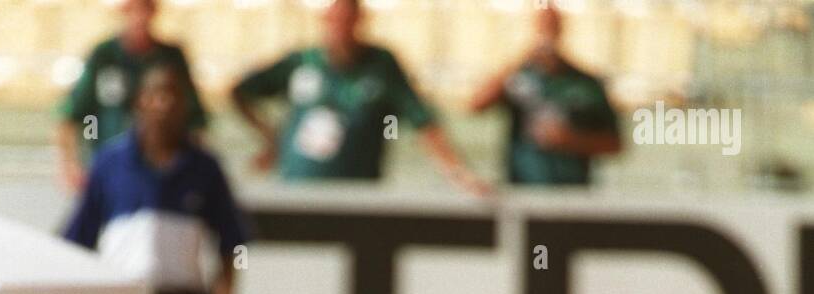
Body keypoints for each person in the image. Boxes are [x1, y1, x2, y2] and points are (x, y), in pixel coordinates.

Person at [63, 62, 249, 294]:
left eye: (172, 95)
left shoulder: (205, 170)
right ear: (138, 104)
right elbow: (78, 239)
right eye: (155, 94)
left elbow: (231, 247)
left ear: (184, 106)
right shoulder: (111, 164)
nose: (163, 104)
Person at [232, 0, 486, 193]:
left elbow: (423, 122)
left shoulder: (381, 66)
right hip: (297, 191)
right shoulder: (301, 62)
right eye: (335, 20)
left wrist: (460, 174)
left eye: (347, 20)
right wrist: (270, 138)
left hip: (355, 197)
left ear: (359, 20)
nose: (339, 28)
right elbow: (240, 91)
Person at [56, 0, 207, 192]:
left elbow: (194, 119)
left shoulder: (170, 57)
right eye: (134, 10)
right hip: (110, 167)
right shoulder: (104, 55)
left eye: (145, 9)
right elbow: (83, 114)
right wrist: (83, 157)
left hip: (161, 170)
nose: (139, 18)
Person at [469, 2, 620, 186]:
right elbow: (476, 105)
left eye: (550, 26)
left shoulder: (586, 83)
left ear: (562, 29)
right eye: (541, 26)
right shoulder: (517, 77)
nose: (546, 33)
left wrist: (569, 139)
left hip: (572, 194)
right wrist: (522, 58)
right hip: (523, 191)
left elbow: (614, 144)